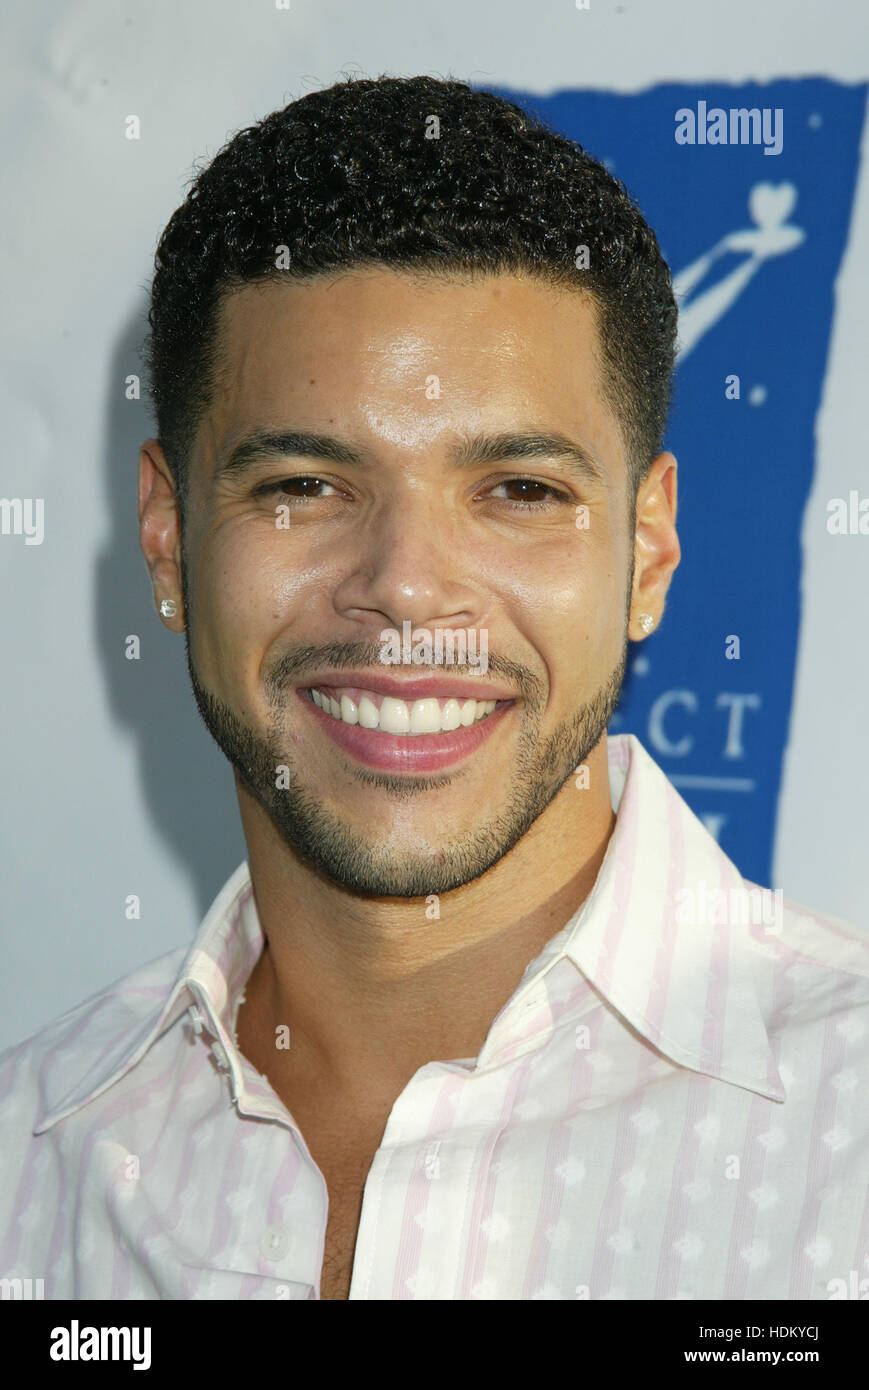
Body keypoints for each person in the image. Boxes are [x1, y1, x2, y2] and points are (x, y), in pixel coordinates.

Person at [1, 74, 866, 1303]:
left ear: (648, 552)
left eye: (518, 490)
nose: (405, 591)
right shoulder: (28, 1163)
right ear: (165, 537)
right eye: (304, 483)